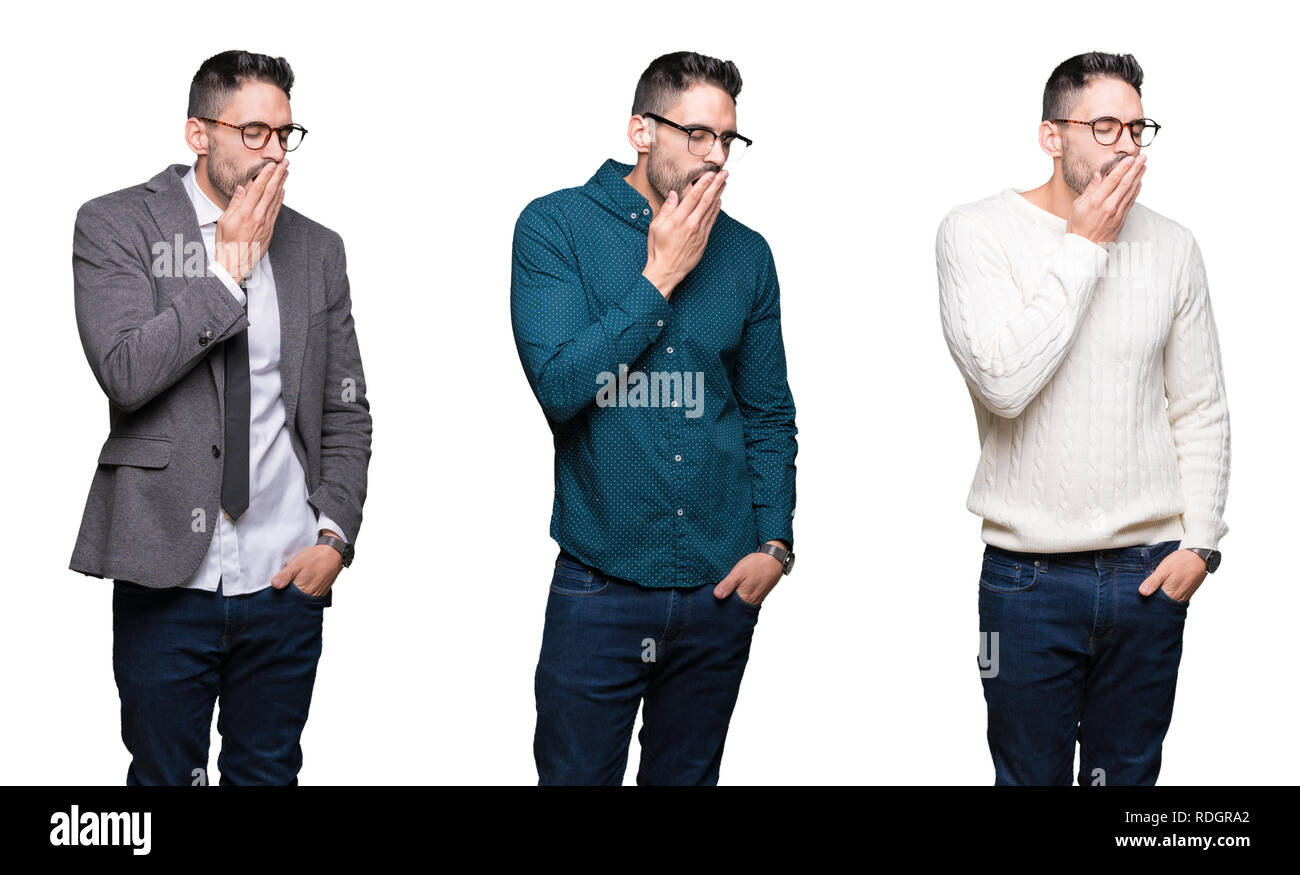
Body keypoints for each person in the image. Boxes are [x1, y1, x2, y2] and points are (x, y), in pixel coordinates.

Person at [69, 50, 373, 785]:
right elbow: (126, 372)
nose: (276, 152)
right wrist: (225, 271)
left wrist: (333, 534)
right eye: (255, 131)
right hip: (167, 575)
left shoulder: (316, 248)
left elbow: (346, 409)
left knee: (268, 774)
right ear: (198, 133)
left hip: (283, 579)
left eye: (286, 135)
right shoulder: (116, 225)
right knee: (162, 778)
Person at [935, 51, 1230, 785]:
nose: (1128, 144)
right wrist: (1087, 245)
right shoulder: (974, 233)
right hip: (1025, 581)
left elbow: (1200, 408)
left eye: (1138, 127)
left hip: (1148, 573)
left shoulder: (1173, 246)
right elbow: (1005, 381)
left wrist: (1200, 543)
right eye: (1105, 125)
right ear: (1051, 136)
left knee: (1130, 788)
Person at [511, 50, 798, 785]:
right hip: (600, 584)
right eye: (697, 134)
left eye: (728, 140)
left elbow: (767, 414)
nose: (715, 156)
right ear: (641, 129)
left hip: (720, 585)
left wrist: (773, 541)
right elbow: (562, 386)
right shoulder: (554, 228)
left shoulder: (748, 254)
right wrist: (660, 275)